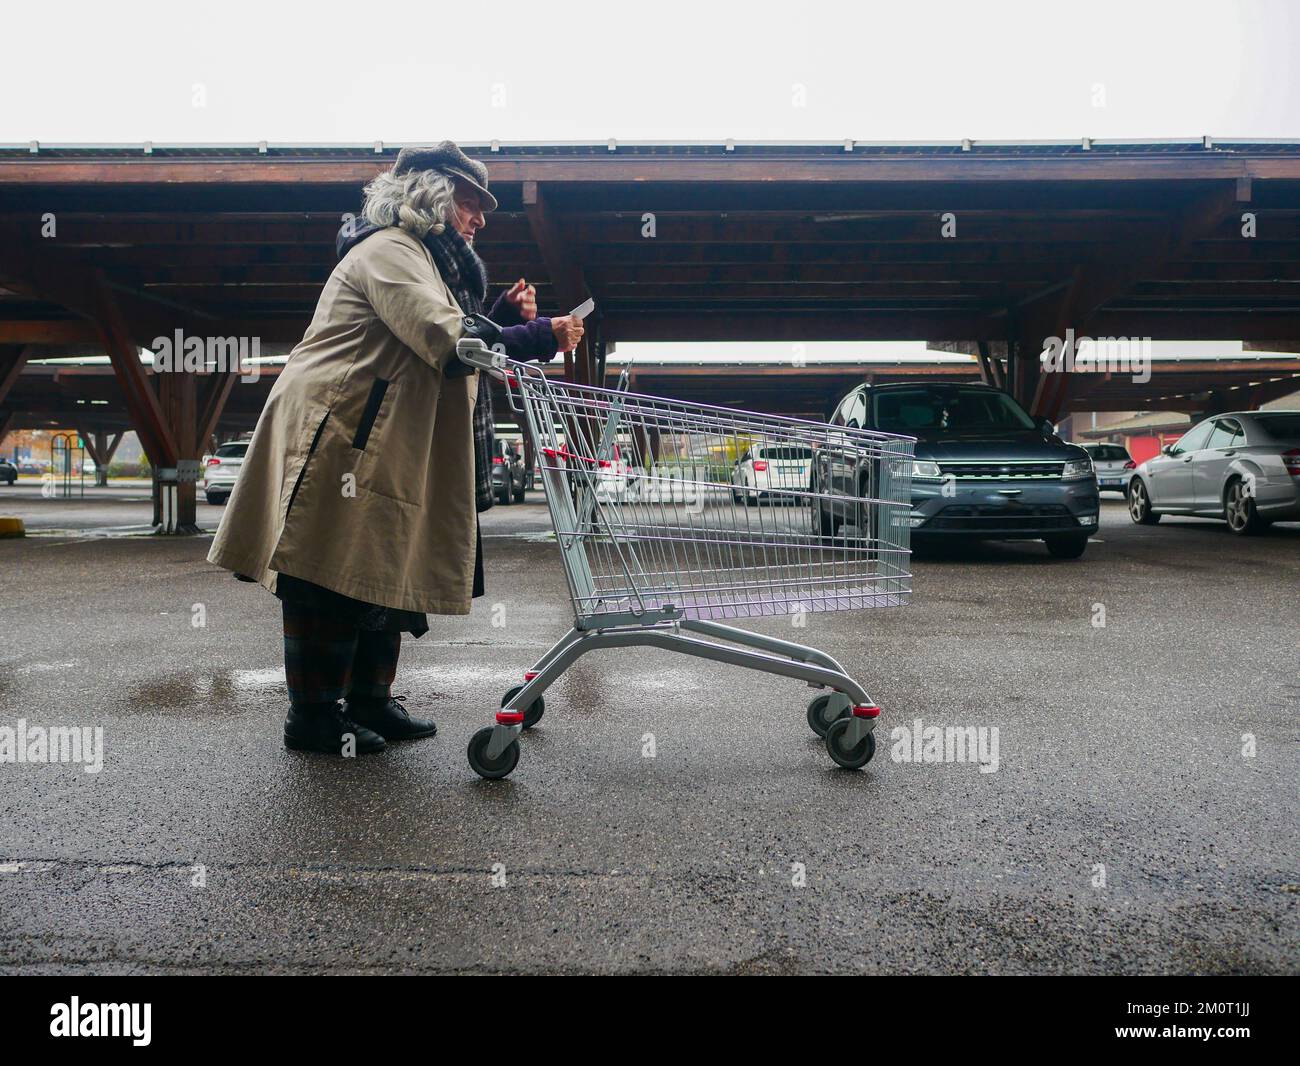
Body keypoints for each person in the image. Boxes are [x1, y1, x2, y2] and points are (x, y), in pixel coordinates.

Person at [207, 141, 584, 756]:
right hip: (345, 430)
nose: (481, 218)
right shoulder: (388, 249)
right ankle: (313, 719)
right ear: (431, 195)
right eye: (470, 201)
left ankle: (369, 703)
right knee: (328, 572)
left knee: (380, 566)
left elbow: (447, 330)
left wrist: (498, 315)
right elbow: (441, 334)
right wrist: (537, 334)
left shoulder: (422, 261)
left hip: (379, 433)